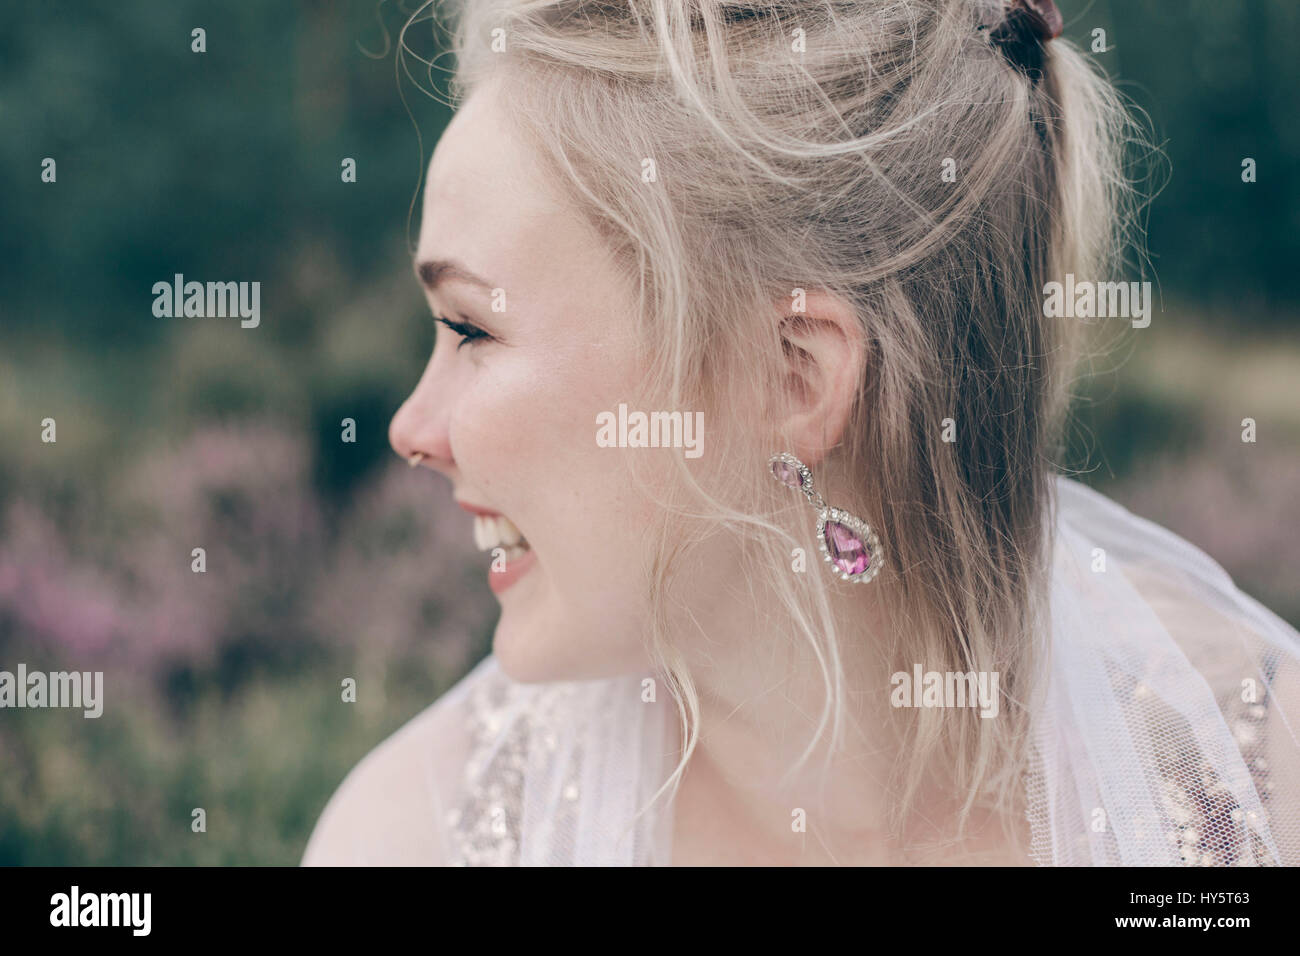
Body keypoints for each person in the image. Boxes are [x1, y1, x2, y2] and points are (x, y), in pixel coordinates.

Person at [302, 0, 1300, 866]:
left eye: (473, 328)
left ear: (793, 375)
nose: (411, 428)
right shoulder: (412, 837)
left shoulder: (1255, 794)